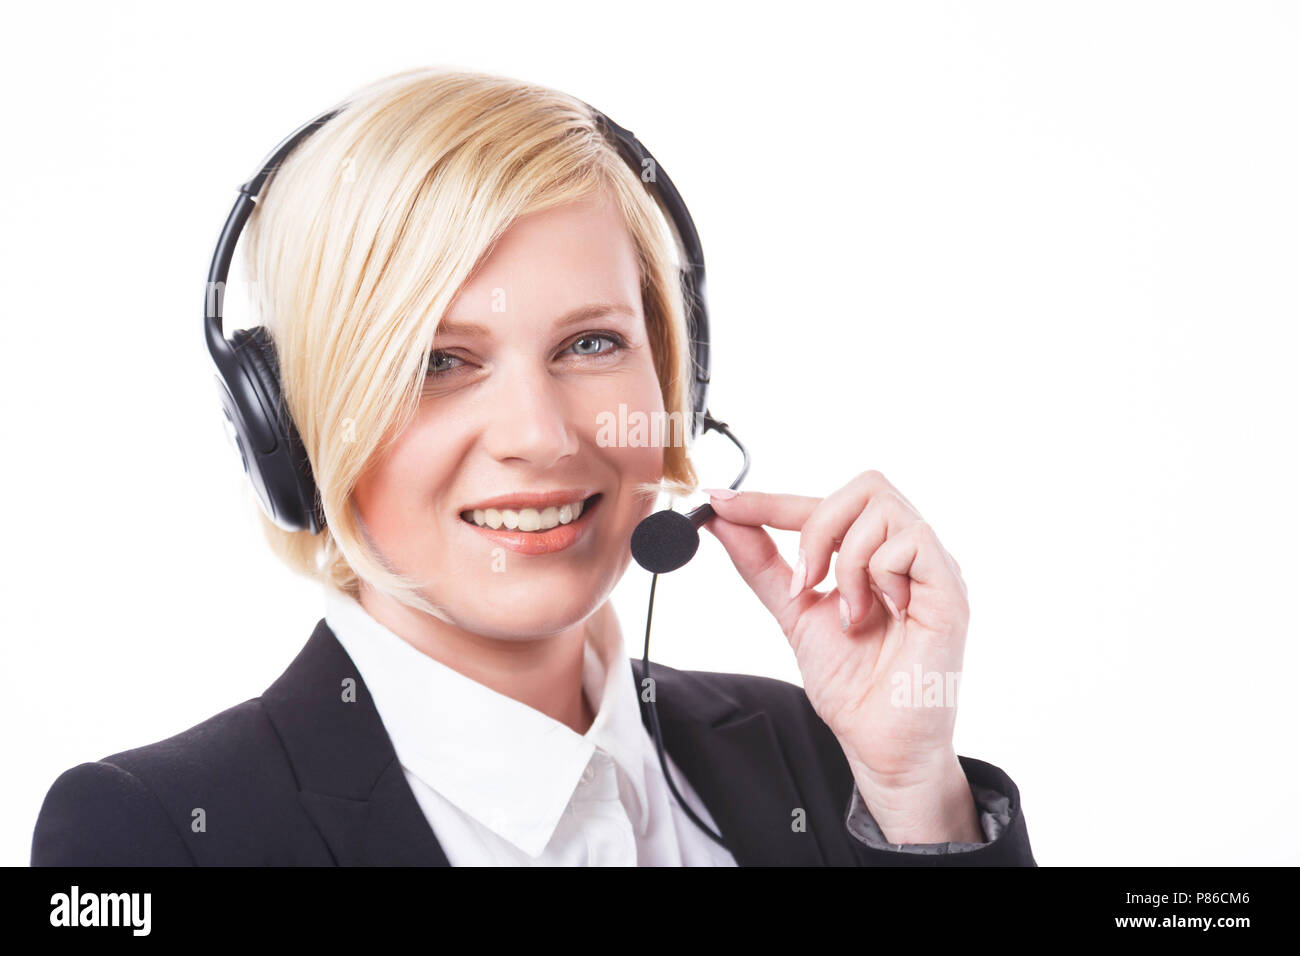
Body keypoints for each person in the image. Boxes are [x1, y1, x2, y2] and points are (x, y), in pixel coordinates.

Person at [31, 66, 1034, 866]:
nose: (542, 435)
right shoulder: (154, 832)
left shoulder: (815, 748)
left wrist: (915, 802)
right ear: (290, 428)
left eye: (590, 344)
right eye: (437, 361)